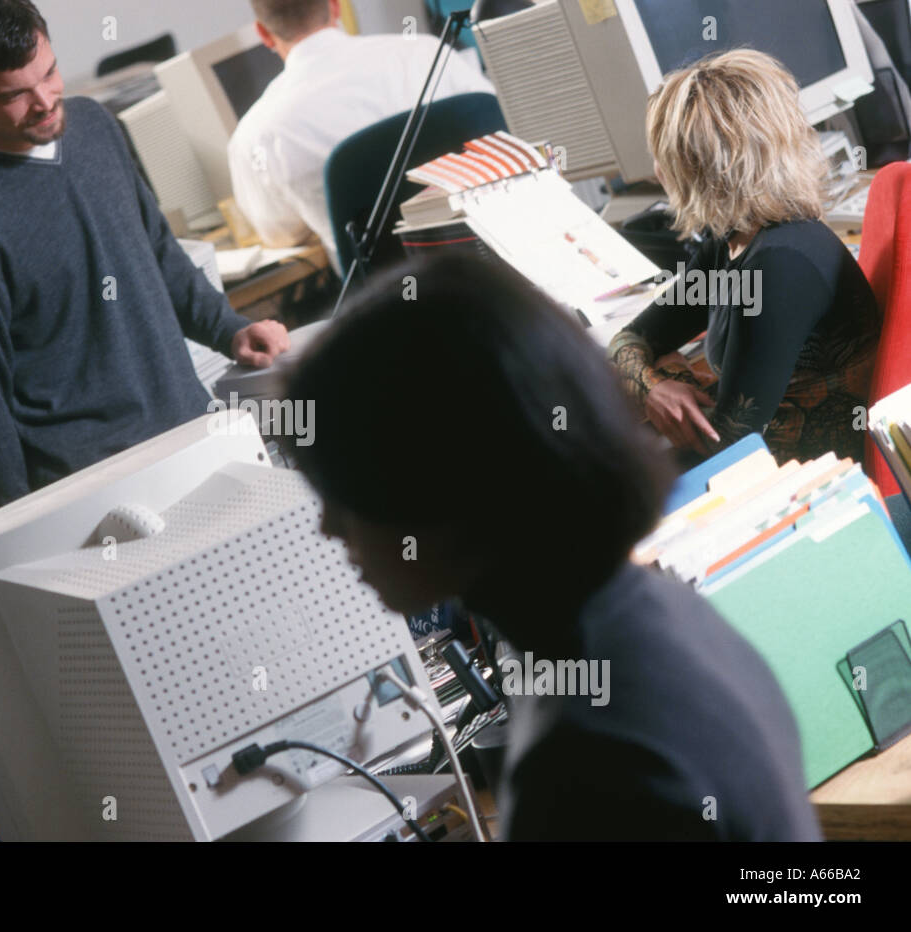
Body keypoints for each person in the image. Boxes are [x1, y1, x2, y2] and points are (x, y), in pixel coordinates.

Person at [282, 253, 821, 841]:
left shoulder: (577, 756)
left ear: (442, 490)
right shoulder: (653, 610)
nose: (328, 528)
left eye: (343, 492)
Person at [0, 0, 289, 508]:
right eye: (15, 95)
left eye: (49, 74)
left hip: (197, 435)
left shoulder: (94, 125)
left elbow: (157, 252)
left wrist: (229, 329)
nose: (46, 100)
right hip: (99, 492)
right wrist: (25, 523)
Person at [609, 49, 881, 467]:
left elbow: (729, 444)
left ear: (694, 167)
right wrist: (657, 387)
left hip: (813, 479)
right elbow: (629, 339)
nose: (656, 171)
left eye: (663, 155)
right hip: (770, 458)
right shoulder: (731, 241)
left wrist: (669, 373)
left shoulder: (780, 264)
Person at [227, 0, 494, 267]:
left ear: (263, 33)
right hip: (502, 264)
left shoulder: (256, 133)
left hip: (395, 296)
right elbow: (504, 131)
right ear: (335, 6)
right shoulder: (428, 52)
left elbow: (280, 235)